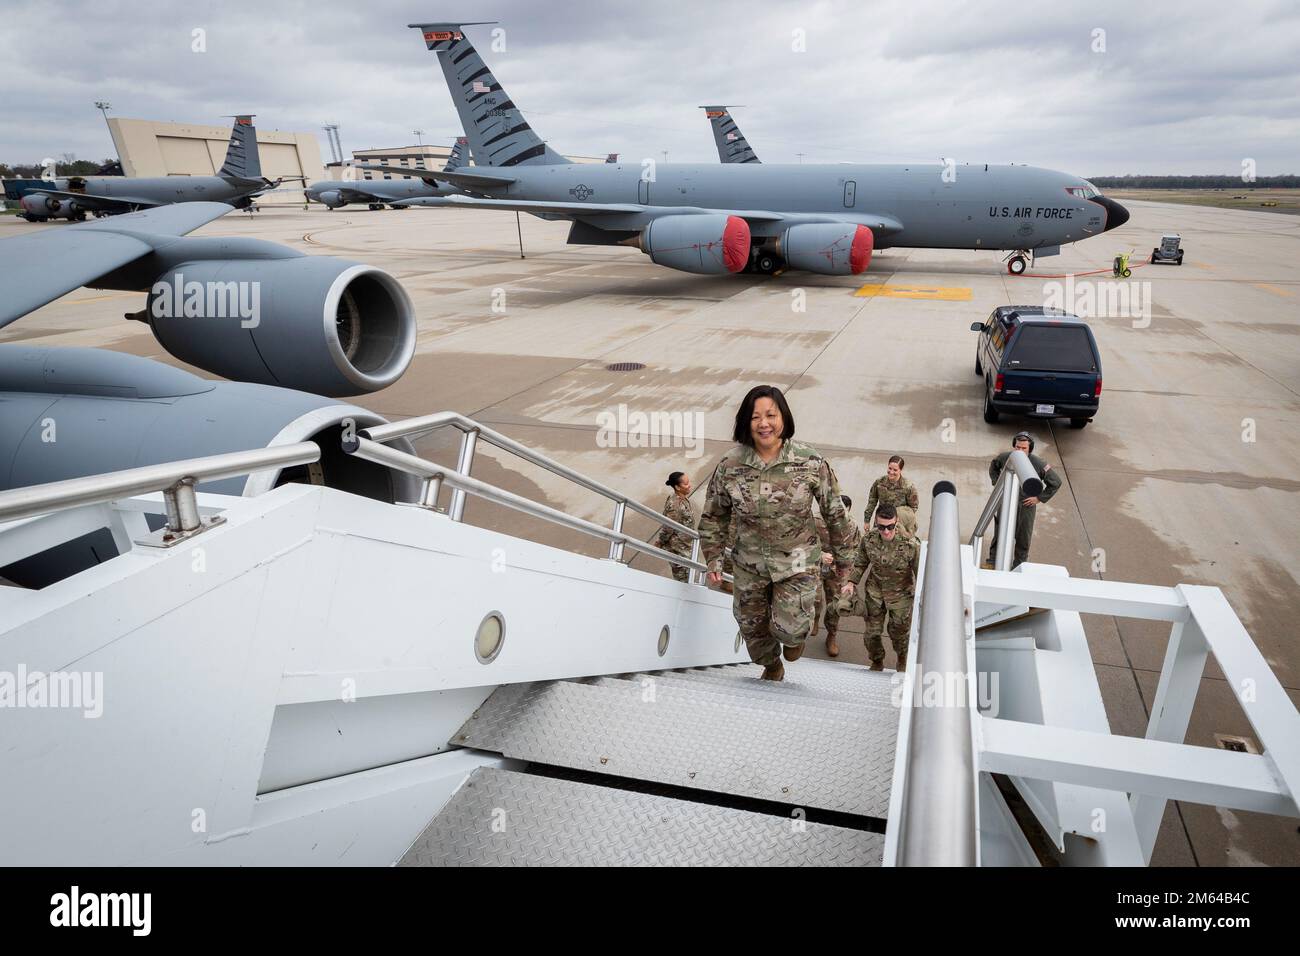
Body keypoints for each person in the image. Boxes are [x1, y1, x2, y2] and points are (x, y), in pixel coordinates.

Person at [699, 385, 857, 681]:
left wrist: (845, 564)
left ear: (783, 417)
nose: (764, 423)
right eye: (756, 416)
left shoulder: (810, 462)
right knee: (753, 633)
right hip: (749, 564)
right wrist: (713, 558)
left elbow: (835, 514)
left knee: (790, 628)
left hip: (797, 563)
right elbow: (714, 516)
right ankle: (772, 666)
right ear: (746, 421)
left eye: (771, 415)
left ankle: (795, 639)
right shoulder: (730, 466)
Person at [845, 504, 920, 672]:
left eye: (890, 526)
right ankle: (877, 661)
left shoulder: (910, 545)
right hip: (875, 592)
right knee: (871, 634)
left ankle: (902, 658)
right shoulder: (869, 539)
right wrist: (851, 582)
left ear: (897, 522)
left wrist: (924, 596)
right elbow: (860, 562)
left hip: (901, 596)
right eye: (881, 527)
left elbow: (920, 571)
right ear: (876, 523)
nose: (886, 531)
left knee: (899, 634)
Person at [987, 432, 1062, 568]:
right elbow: (994, 467)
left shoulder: (1038, 463)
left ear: (1030, 449)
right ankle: (992, 562)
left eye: (1023, 448)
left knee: (1023, 538)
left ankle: (1019, 566)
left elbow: (1056, 482)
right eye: (1017, 447)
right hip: (1006, 501)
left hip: (1026, 505)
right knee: (1000, 532)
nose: (1019, 451)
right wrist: (997, 483)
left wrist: (1039, 498)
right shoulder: (1006, 458)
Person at [814, 495, 859, 657]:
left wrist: (844, 565)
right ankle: (814, 617)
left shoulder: (852, 526)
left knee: (835, 605)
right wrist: (820, 555)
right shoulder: (816, 521)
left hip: (838, 571)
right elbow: (803, 543)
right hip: (816, 565)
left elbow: (856, 550)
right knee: (813, 598)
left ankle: (831, 636)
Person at [653, 471, 695, 583]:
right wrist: (660, 541)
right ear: (677, 487)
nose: (689, 485)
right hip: (678, 548)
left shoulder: (682, 498)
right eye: (686, 484)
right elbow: (668, 527)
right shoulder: (675, 506)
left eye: (688, 482)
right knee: (682, 578)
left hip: (685, 544)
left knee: (688, 574)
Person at [865, 455, 919, 538]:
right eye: (890, 468)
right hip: (881, 522)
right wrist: (867, 520)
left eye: (895, 470)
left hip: (898, 525)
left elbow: (913, 508)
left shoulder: (908, 487)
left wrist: (900, 519)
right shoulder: (879, 482)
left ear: (901, 470)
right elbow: (872, 501)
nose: (891, 472)